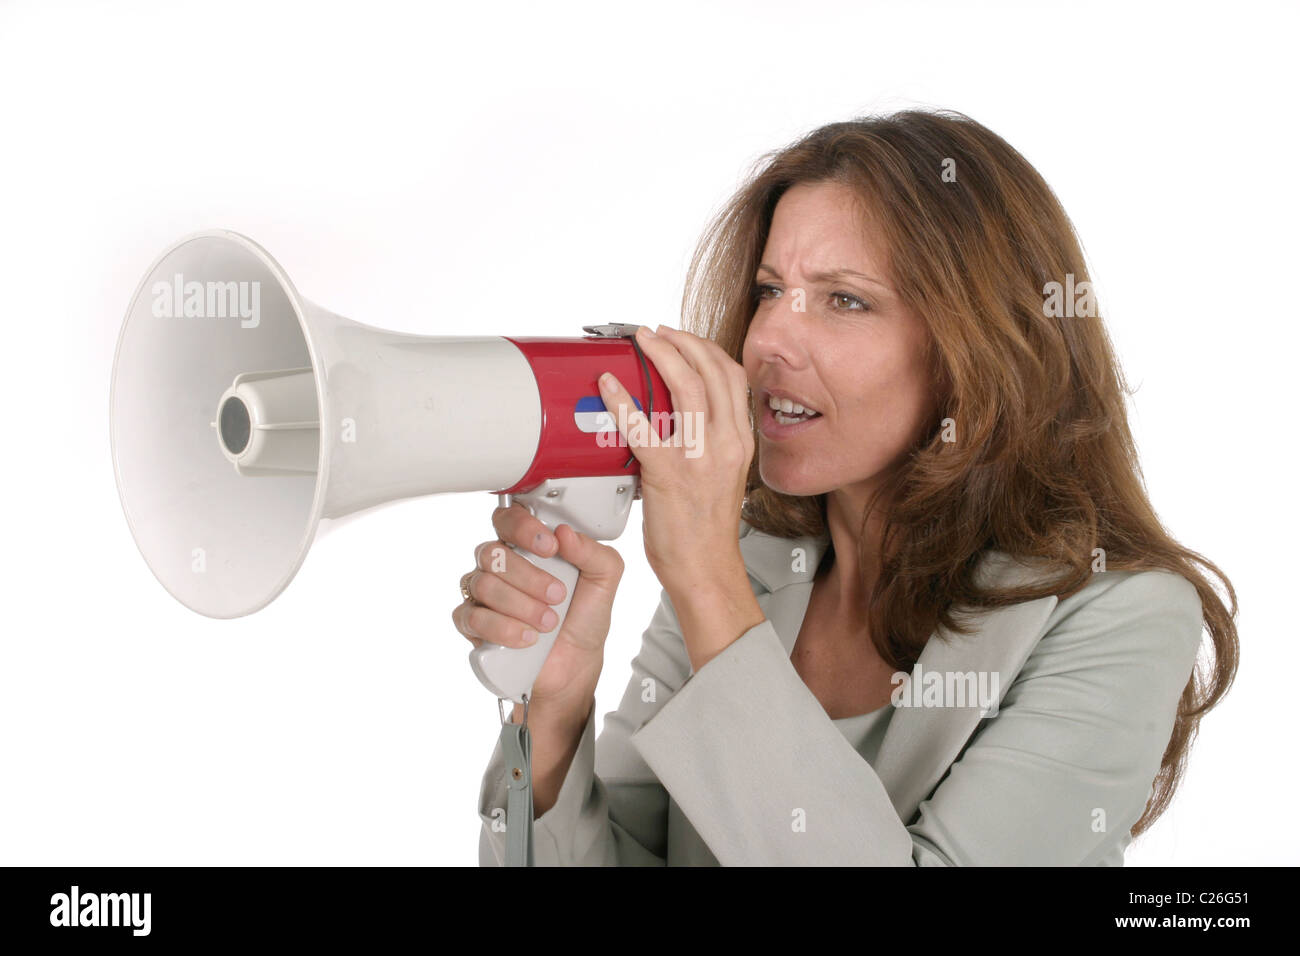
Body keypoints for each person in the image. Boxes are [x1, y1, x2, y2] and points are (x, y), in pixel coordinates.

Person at [454, 108, 1239, 866]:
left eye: (845, 300)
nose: (767, 341)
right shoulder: (748, 558)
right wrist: (553, 722)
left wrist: (705, 582)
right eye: (768, 290)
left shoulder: (1119, 615)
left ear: (984, 349)